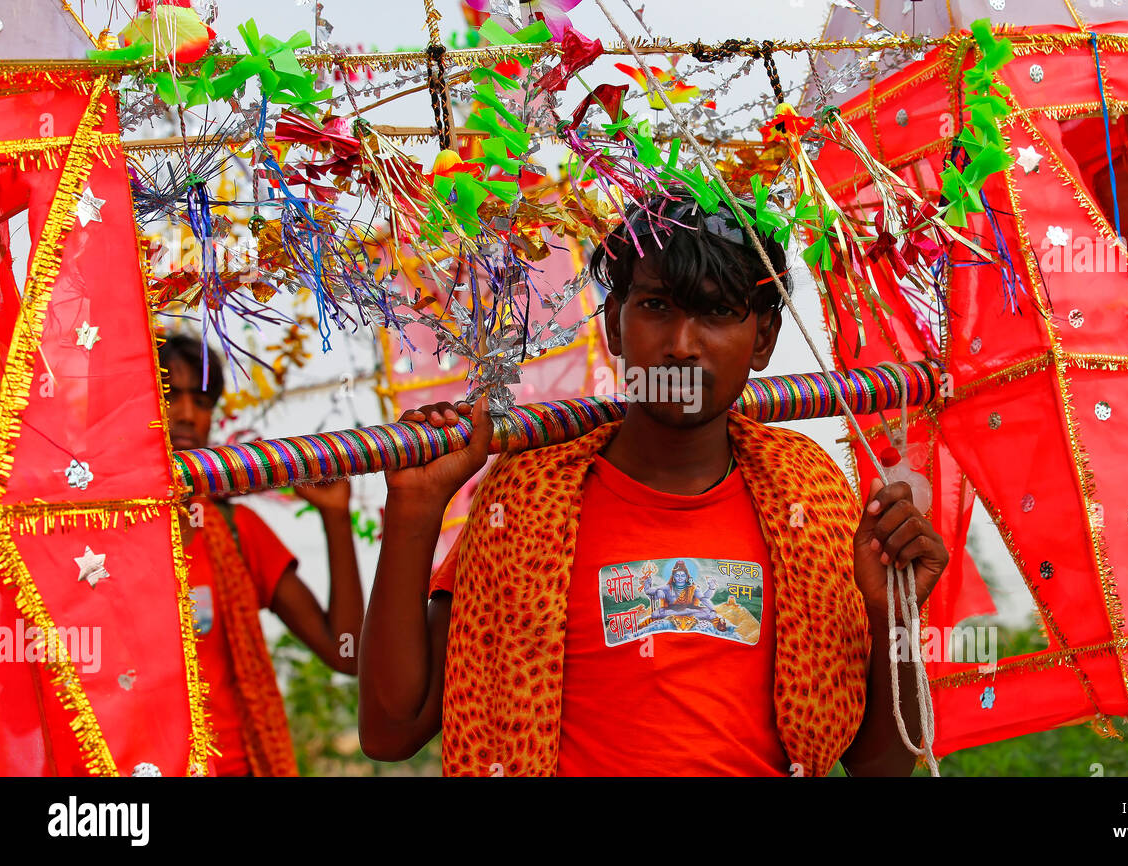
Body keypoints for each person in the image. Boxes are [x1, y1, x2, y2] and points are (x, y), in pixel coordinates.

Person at [358, 187, 950, 777]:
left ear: (763, 340)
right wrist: (415, 507)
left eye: (717, 312)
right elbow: (391, 730)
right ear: (615, 324)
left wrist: (893, 615)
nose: (681, 346)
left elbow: (880, 767)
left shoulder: (810, 498)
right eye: (657, 307)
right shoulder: (525, 502)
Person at [160, 334, 364, 777]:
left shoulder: (236, 531)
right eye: (170, 396)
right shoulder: (99, 541)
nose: (188, 415)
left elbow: (345, 653)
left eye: (202, 399)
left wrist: (335, 517)